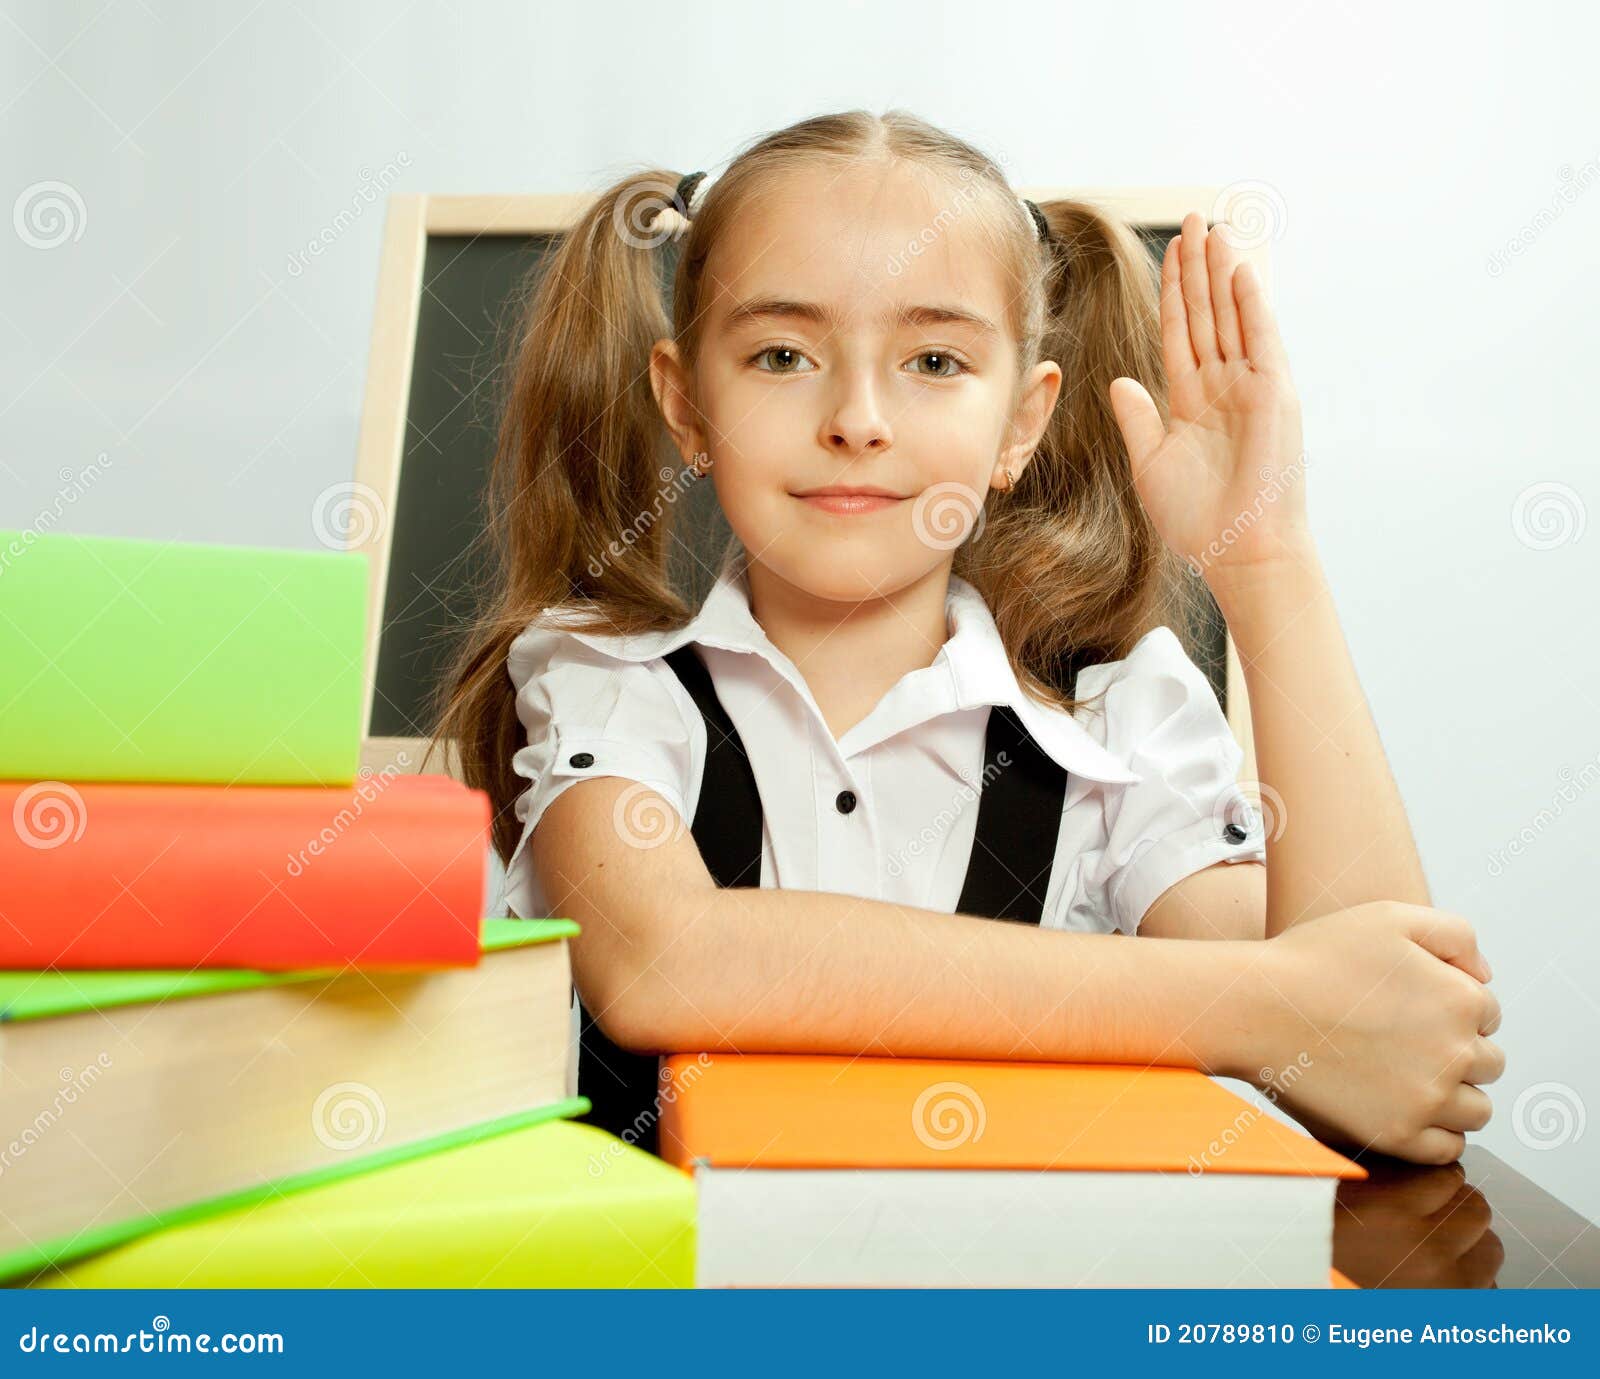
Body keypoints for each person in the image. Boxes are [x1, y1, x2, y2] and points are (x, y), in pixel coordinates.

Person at [432, 109, 1502, 1166]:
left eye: (934, 361)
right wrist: (1266, 1008)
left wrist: (1264, 562)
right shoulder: (605, 682)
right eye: (780, 354)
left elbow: (1390, 1030)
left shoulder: (1115, 726)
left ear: (1022, 422)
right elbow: (669, 959)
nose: (857, 416)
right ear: (687, 406)